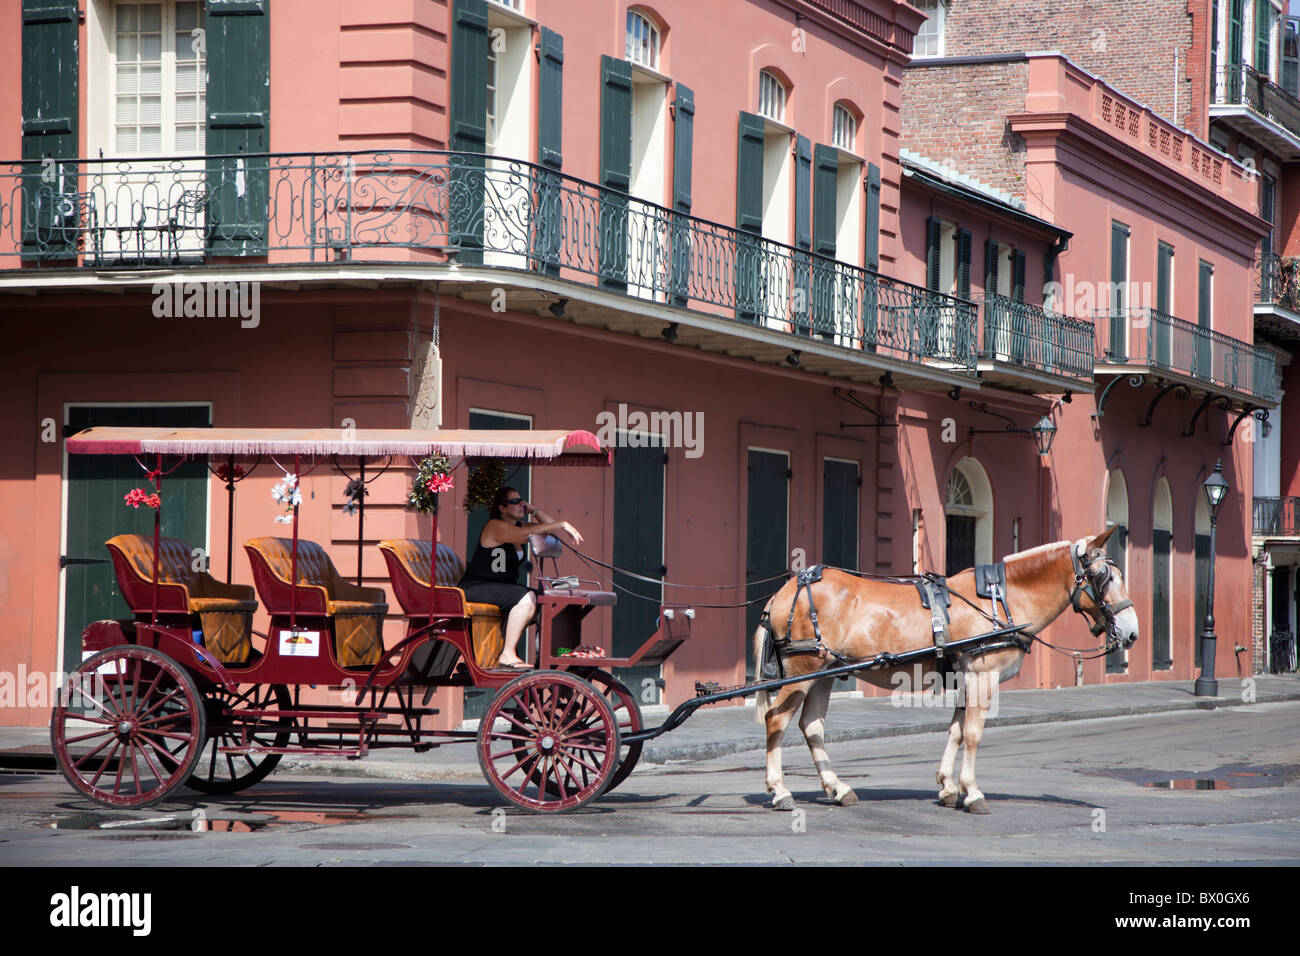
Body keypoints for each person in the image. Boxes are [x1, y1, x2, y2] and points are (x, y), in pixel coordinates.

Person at [459, 486, 582, 669]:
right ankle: (507, 654)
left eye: (521, 500)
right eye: (515, 502)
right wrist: (564, 523)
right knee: (528, 597)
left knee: (543, 600)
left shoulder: (519, 526)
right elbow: (527, 535)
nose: (521, 504)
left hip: (501, 589)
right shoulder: (495, 526)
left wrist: (534, 510)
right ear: (502, 508)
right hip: (477, 587)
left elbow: (549, 530)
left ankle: (547, 658)